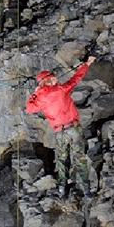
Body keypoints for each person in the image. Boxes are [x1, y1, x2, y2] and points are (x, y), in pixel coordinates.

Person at [26, 56, 96, 197]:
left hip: (59, 132)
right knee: (79, 158)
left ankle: (62, 189)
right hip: (74, 129)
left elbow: (29, 108)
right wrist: (87, 64)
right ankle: (86, 190)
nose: (56, 79)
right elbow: (76, 78)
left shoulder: (40, 99)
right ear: (48, 81)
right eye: (53, 78)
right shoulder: (61, 90)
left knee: (62, 160)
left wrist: (35, 94)